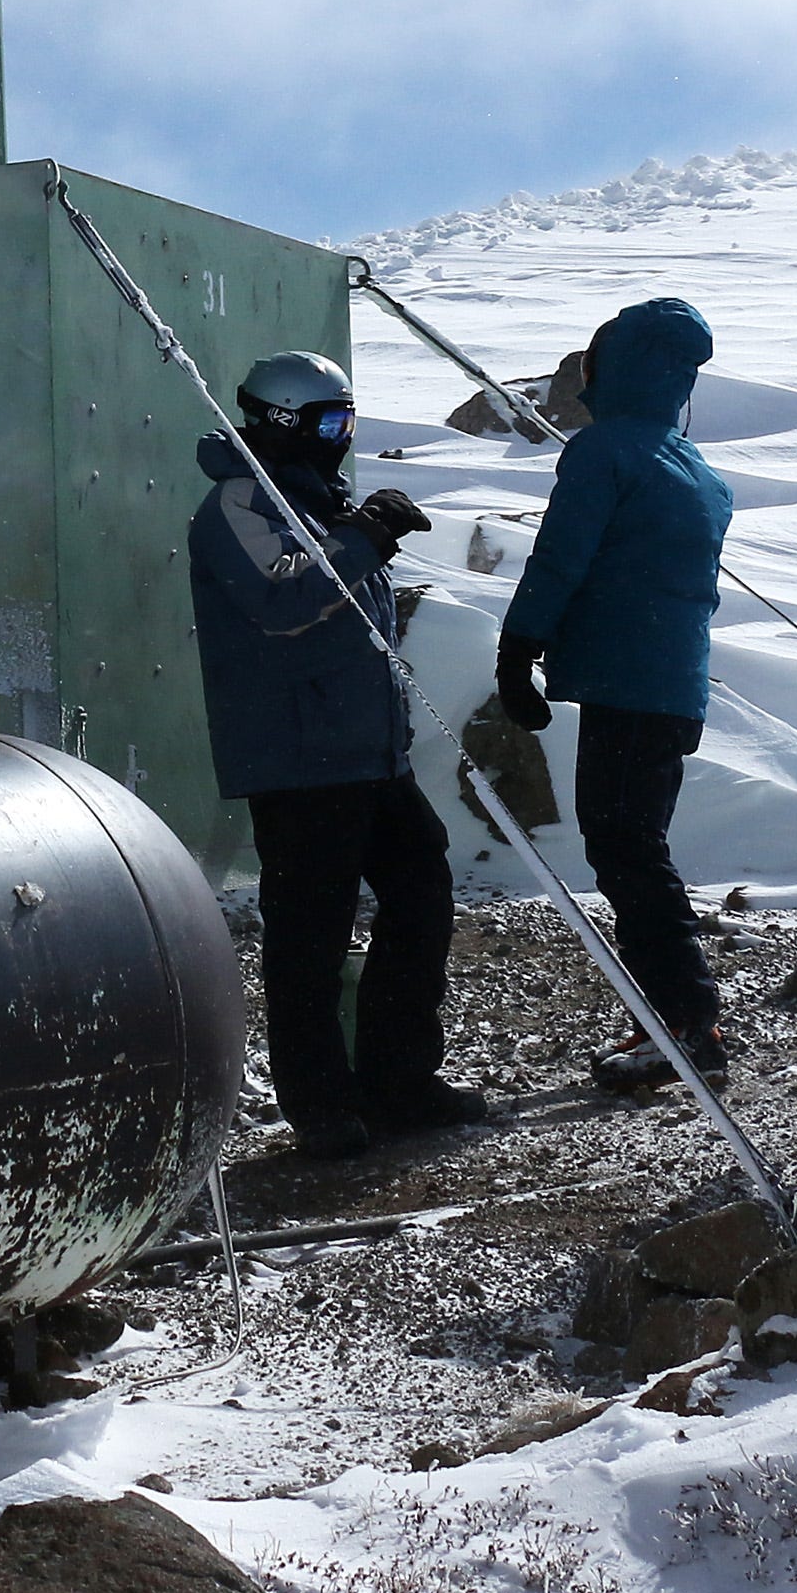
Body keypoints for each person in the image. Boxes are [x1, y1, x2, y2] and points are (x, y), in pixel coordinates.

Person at [186, 350, 481, 1161]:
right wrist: (362, 538)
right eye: (328, 422)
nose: (341, 438)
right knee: (310, 933)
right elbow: (285, 600)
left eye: (348, 420)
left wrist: (356, 531)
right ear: (281, 421)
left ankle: (399, 1079)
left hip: (367, 753)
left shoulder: (317, 506)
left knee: (421, 892)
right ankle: (320, 1104)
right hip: (299, 759)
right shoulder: (238, 502)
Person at [489, 299, 736, 1095]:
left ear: (615, 366)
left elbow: (563, 556)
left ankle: (682, 1025)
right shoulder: (700, 471)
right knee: (640, 848)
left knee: (627, 854)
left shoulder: (604, 453)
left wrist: (518, 647)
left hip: (624, 684)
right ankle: (679, 1020)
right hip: (673, 685)